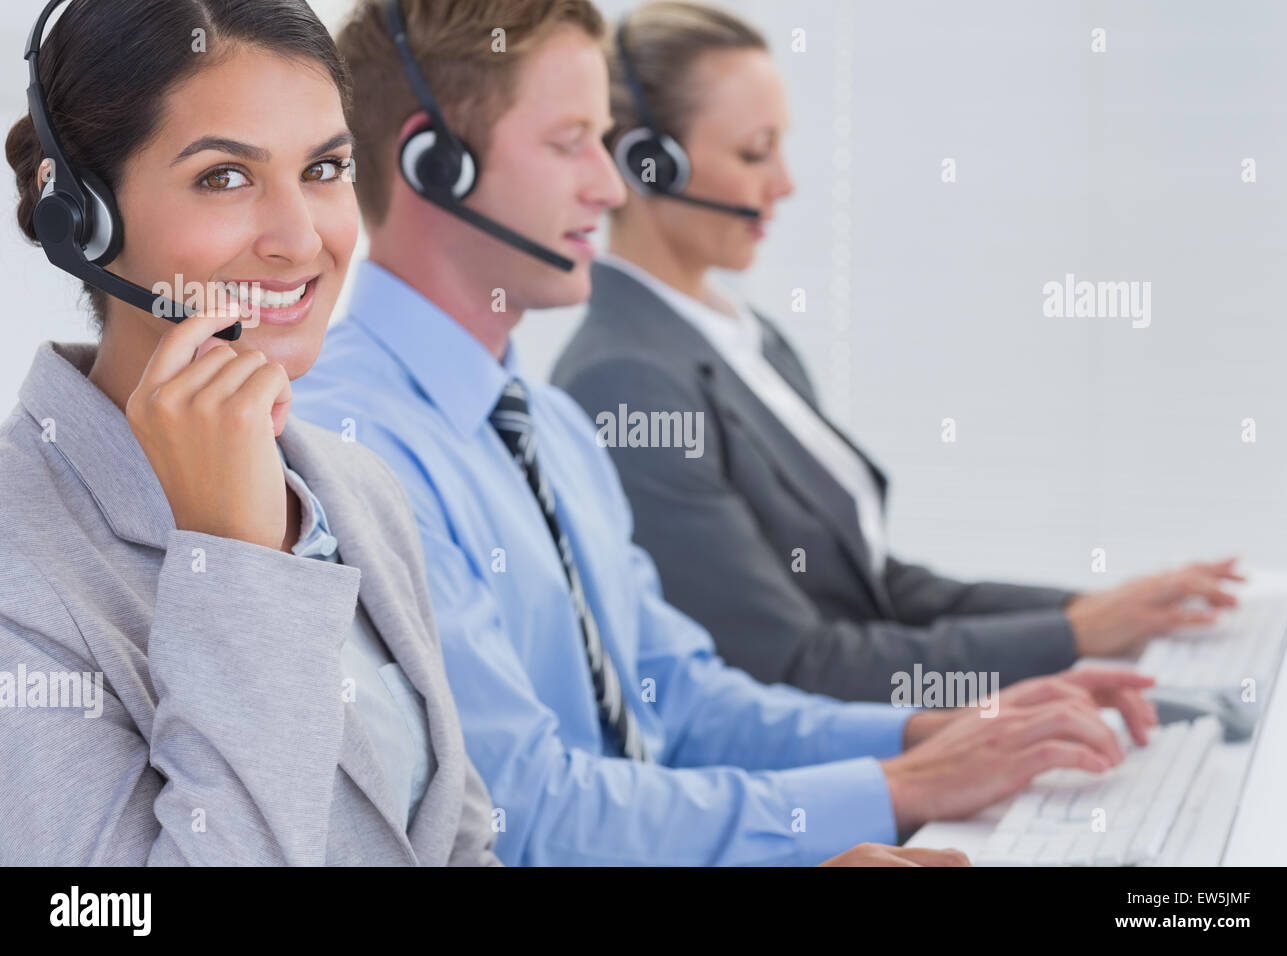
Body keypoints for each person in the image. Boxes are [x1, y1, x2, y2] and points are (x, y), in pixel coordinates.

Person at [293, 0, 1157, 867]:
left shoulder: (549, 428)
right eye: (569, 144)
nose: (609, 183)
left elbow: (687, 702)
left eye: (606, 140)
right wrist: (900, 790)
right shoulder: (352, 448)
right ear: (433, 163)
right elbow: (524, 813)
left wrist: (933, 730)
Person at [550, 0, 1243, 703]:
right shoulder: (628, 383)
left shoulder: (739, 334)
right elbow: (791, 664)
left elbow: (873, 587)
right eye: (755, 152)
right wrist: (1069, 641)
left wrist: (1096, 614)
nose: (784, 183)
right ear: (647, 165)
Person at [0, 0, 496, 866]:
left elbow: (458, 844)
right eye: (225, 176)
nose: (300, 237)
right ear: (81, 219)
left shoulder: (356, 489)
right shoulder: (20, 571)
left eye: (325, 168)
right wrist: (231, 561)